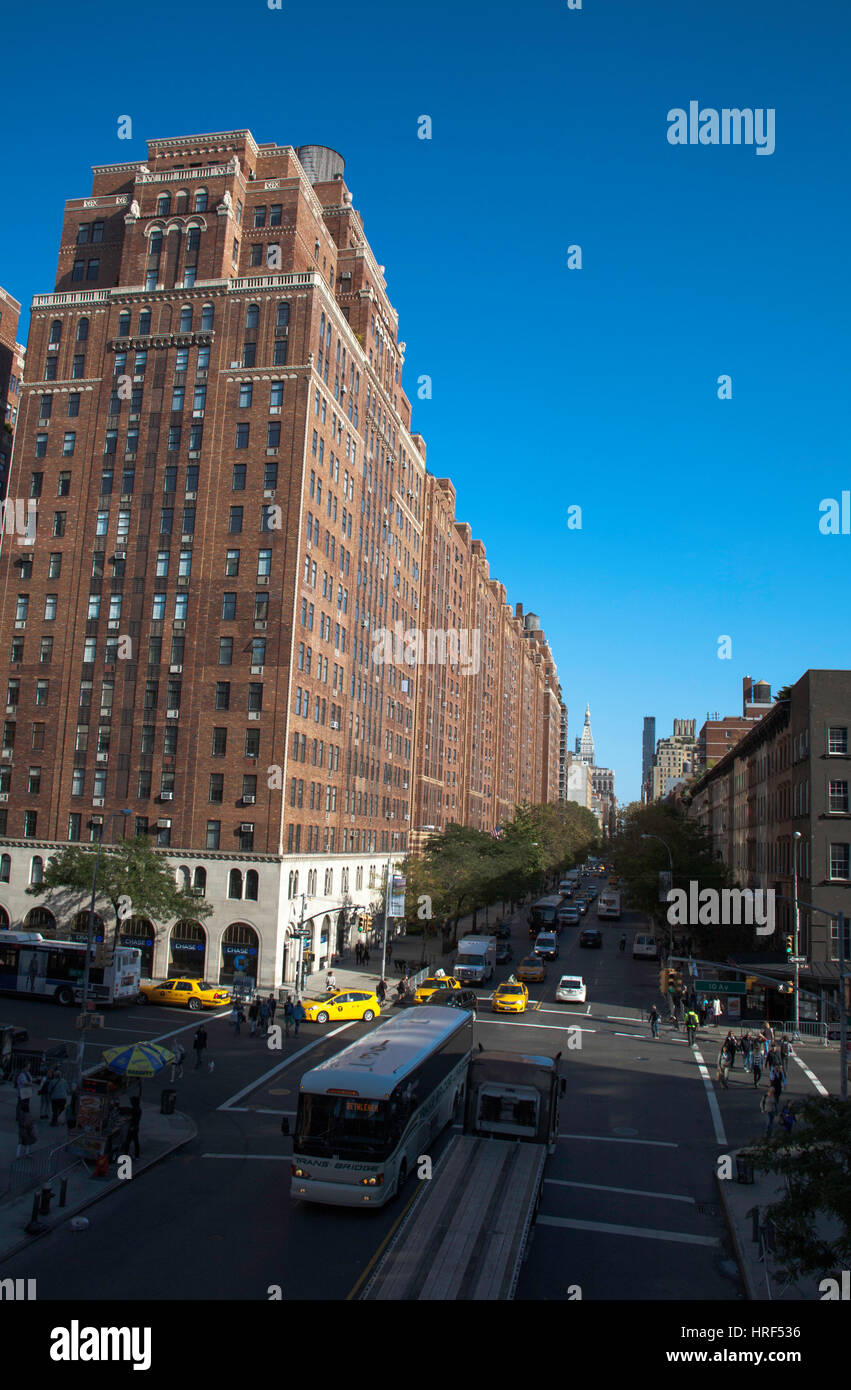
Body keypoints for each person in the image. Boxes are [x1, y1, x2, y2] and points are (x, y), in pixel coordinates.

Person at [125, 1093, 142, 1158]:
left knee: (128, 1142)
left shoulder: (135, 1110)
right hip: (135, 1127)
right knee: (135, 1141)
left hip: (133, 1128)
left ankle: (126, 1155)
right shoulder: (138, 1110)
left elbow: (132, 1116)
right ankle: (136, 1155)